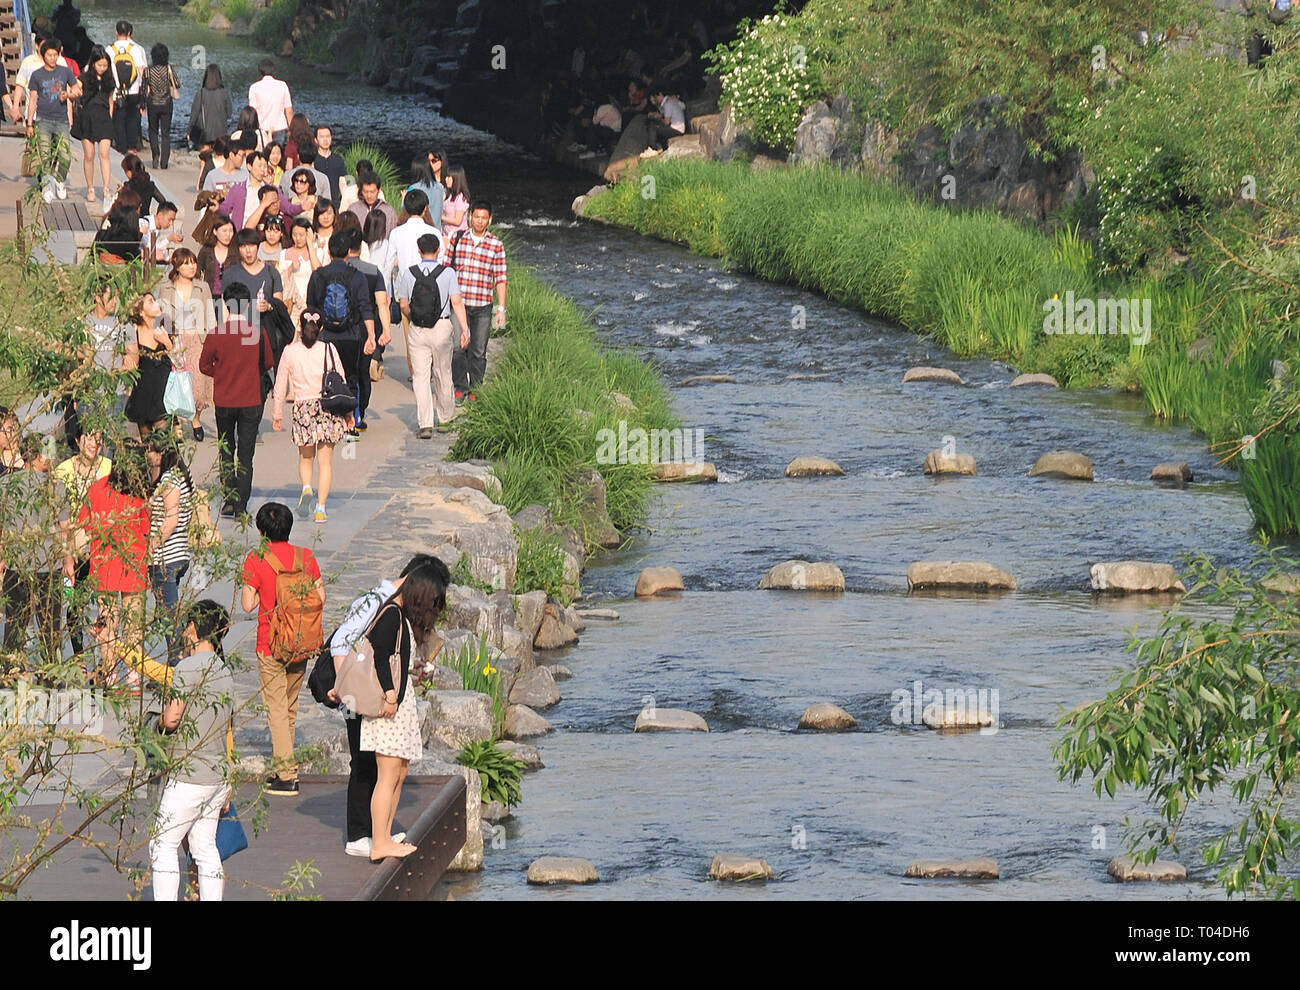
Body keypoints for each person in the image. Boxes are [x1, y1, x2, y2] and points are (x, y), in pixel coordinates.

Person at [329, 553, 446, 856]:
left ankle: (383, 835)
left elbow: (391, 659)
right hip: (385, 707)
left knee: (399, 771)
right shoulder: (391, 613)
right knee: (386, 772)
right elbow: (380, 657)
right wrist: (391, 695)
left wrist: (410, 671)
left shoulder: (397, 614)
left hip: (395, 703)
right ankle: (377, 841)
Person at [149, 599, 234, 901]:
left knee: (163, 843)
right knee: (205, 847)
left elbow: (172, 719)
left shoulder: (187, 668)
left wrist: (157, 725)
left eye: (187, 626)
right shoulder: (225, 672)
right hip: (218, 774)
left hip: (190, 773)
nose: (184, 633)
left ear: (196, 629)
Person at [240, 502, 324, 794]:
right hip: (301, 641)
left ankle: (287, 777)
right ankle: (282, 768)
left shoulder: (256, 558)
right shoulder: (306, 557)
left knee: (275, 708)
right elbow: (321, 596)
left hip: (271, 644)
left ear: (261, 531)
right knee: (288, 707)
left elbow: (248, 605)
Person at [79, 440, 151, 687]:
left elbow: (86, 526)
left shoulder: (96, 488)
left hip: (105, 562)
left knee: (107, 622)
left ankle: (108, 673)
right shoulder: (140, 494)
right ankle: (134, 676)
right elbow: (146, 529)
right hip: (133, 562)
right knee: (134, 624)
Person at [199, 282, 273, 517]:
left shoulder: (216, 334)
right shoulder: (256, 332)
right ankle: (242, 504)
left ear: (225, 305)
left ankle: (228, 500)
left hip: (224, 401)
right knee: (246, 454)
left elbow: (204, 365)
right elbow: (268, 363)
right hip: (250, 399)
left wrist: (220, 373)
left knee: (226, 450)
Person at [272, 308, 350, 523]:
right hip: (326, 407)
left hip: (302, 409)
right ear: (321, 328)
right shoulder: (329, 349)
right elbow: (341, 381)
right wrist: (348, 414)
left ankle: (306, 487)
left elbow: (280, 385)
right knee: (325, 463)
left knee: (306, 458)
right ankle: (321, 509)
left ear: (300, 326)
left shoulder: (290, 351)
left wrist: (277, 413)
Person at [0, 436, 74, 660]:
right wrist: (68, 560)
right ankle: (50, 672)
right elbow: (65, 528)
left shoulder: (5, 484)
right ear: (40, 456)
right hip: (46, 565)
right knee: (49, 625)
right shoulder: (55, 485)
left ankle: (11, 670)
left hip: (17, 564)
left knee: (14, 623)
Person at [394, 233, 470, 438]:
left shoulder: (409, 274)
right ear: (439, 250)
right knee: (443, 374)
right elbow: (456, 302)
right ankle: (445, 419)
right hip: (442, 327)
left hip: (418, 329)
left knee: (420, 377)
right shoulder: (448, 273)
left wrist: (416, 317)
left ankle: (425, 424)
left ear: (419, 251)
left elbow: (403, 304)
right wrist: (465, 328)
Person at [306, 232, 375, 434]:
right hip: (351, 335)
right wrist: (370, 336)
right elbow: (365, 307)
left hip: (324, 336)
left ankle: (325, 422)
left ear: (328, 251)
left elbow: (310, 308)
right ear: (348, 252)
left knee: (325, 378)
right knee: (350, 378)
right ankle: (350, 424)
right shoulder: (357, 276)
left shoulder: (317, 275)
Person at [442, 200, 507, 404]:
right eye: (476, 217)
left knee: (479, 350)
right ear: (470, 217)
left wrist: (501, 308)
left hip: (482, 306)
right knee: (457, 348)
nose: (479, 221)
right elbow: (446, 268)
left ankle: (476, 389)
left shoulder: (496, 245)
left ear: (490, 220)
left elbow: (501, 278)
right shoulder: (457, 238)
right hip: (459, 304)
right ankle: (460, 387)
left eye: (483, 218)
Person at [53, 426, 109, 657]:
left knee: (106, 605)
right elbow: (58, 516)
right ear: (78, 441)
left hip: (104, 547)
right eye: (88, 437)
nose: (93, 442)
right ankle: (79, 656)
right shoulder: (63, 471)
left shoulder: (108, 467)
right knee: (74, 603)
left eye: (98, 437)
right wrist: (67, 555)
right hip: (74, 548)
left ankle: (108, 657)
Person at [156, 249, 216, 442]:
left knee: (198, 384)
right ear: (177, 266)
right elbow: (160, 316)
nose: (191, 267)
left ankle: (196, 418)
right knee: (178, 382)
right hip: (175, 340)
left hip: (197, 338)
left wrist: (212, 341)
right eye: (186, 263)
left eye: (193, 263)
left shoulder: (202, 287)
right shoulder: (166, 288)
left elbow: (209, 314)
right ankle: (177, 423)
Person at [145, 431, 193, 664]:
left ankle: (177, 662)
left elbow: (171, 520)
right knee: (168, 612)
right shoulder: (181, 475)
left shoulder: (170, 480)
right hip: (178, 552)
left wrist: (150, 547)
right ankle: (178, 659)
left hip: (166, 556)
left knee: (168, 616)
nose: (148, 454)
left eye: (151, 450)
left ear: (163, 453)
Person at [389, 189, 443, 382]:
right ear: (425, 208)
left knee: (411, 334)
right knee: (431, 332)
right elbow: (441, 264)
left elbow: (389, 264)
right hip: (432, 291)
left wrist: (387, 292)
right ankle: (430, 370)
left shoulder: (396, 233)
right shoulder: (435, 232)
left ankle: (417, 374)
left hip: (405, 291)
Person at [343, 225, 393, 431]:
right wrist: (386, 331)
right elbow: (382, 303)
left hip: (341, 329)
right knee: (362, 371)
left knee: (344, 372)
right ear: (361, 246)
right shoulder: (373, 272)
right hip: (366, 329)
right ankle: (359, 414)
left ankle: (344, 416)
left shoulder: (337, 270)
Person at [25, 39, 78, 204]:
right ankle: (47, 185)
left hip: (61, 119)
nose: (53, 58)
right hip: (43, 120)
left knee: (65, 156)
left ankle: (60, 181)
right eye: (49, 55)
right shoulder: (37, 75)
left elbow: (77, 91)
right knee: (45, 155)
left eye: (55, 55)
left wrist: (68, 95)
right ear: (43, 56)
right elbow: (33, 100)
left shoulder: (65, 72)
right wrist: (29, 123)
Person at [123, 292, 173, 438]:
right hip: (142, 395)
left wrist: (167, 342)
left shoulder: (166, 326)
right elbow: (130, 360)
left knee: (164, 444)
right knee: (148, 447)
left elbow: (181, 360)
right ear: (141, 311)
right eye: (150, 302)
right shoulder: (133, 331)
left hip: (162, 396)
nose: (156, 304)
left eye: (155, 300)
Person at [218, 149, 302, 230]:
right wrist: (217, 208)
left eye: (265, 166)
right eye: (259, 166)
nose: (263, 170)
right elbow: (225, 209)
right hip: (240, 235)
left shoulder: (272, 190)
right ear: (249, 166)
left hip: (262, 234)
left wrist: (301, 207)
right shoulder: (237, 189)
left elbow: (287, 208)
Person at [71, 45, 114, 205]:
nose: (102, 68)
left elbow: (110, 101)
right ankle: (90, 188)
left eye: (105, 65)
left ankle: (106, 188)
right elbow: (75, 90)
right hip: (88, 118)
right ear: (93, 63)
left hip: (104, 119)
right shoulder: (84, 78)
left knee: (104, 154)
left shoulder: (109, 80)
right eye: (99, 65)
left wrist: (110, 118)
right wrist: (70, 94)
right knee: (89, 155)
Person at [223, 228, 284, 318]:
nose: (248, 251)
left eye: (251, 246)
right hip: (239, 328)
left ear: (258, 247)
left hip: (265, 328)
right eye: (243, 247)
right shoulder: (230, 274)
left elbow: (279, 306)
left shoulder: (272, 273)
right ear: (238, 249)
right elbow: (224, 307)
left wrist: (268, 306)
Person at [109, 19, 146, 155]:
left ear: (116, 32)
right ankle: (132, 147)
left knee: (119, 119)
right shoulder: (136, 49)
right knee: (133, 118)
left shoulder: (110, 49)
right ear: (129, 32)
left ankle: (121, 148)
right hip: (134, 90)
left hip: (118, 92)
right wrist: (146, 89)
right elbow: (142, 70)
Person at [142, 43, 178, 170]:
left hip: (152, 102)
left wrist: (142, 104)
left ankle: (155, 152)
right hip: (167, 103)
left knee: (152, 130)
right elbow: (177, 84)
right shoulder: (169, 69)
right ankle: (164, 162)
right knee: (166, 133)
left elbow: (143, 87)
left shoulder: (148, 70)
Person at [280, 216, 318, 326]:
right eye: (295, 235)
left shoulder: (317, 252)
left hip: (311, 301)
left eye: (301, 235)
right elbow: (281, 279)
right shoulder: (284, 253)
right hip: (293, 303)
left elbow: (319, 272)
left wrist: (310, 244)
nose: (298, 238)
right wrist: (291, 268)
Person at [248, 57, 293, 147]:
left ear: (260, 71)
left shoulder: (254, 87)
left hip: (262, 127)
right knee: (279, 154)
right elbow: (289, 110)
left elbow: (252, 111)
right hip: (280, 127)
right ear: (273, 70)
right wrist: (291, 129)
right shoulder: (282, 85)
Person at [187, 63, 231, 148]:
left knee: (205, 155)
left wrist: (189, 131)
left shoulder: (201, 93)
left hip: (204, 134)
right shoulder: (224, 93)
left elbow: (194, 115)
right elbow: (229, 113)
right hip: (221, 134)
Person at [196, 214, 236, 306]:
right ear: (215, 231)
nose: (228, 235)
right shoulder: (206, 251)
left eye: (230, 231)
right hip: (208, 297)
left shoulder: (235, 252)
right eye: (224, 231)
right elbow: (197, 272)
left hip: (230, 299)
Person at [312, 124, 347, 204]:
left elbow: (342, 183)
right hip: (317, 202)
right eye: (322, 137)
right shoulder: (313, 159)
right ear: (316, 140)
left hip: (335, 202)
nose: (325, 140)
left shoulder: (338, 160)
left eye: (328, 136)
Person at [141, 200, 182, 265]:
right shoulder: (144, 223)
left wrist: (169, 239)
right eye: (169, 219)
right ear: (160, 215)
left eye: (173, 220)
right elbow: (149, 249)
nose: (171, 223)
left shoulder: (157, 229)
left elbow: (156, 247)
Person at [406, 156, 443, 221]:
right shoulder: (440, 187)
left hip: (421, 228)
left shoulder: (412, 188)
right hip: (437, 228)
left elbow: (406, 209)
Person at [440, 166, 470, 239]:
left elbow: (457, 221)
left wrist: (441, 217)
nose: (446, 179)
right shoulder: (446, 194)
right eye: (446, 177)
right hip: (446, 234)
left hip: (458, 236)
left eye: (449, 177)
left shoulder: (461, 198)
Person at [310, 199, 338, 267]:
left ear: (334, 214)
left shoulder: (338, 236)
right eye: (322, 214)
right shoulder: (311, 236)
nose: (326, 217)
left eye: (329, 213)